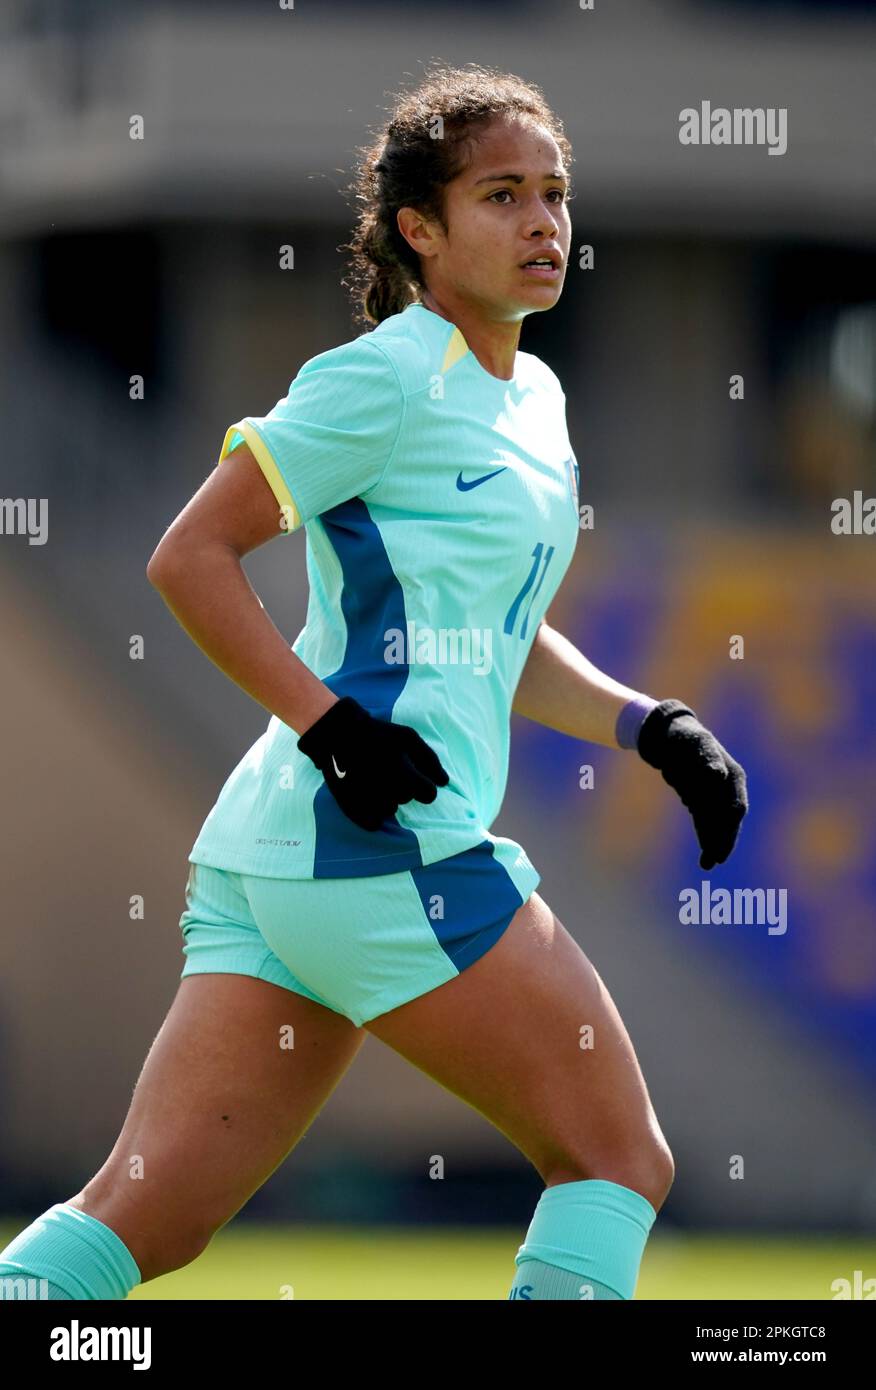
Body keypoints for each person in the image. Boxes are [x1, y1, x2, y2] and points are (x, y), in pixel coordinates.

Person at [0, 61, 746, 1302]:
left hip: (278, 857)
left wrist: (649, 725)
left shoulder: (539, 400)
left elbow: (493, 638)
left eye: (556, 195)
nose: (544, 222)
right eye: (502, 195)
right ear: (419, 228)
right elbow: (190, 556)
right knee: (618, 1157)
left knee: (138, 1225)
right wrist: (335, 727)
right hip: (374, 842)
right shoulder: (386, 376)